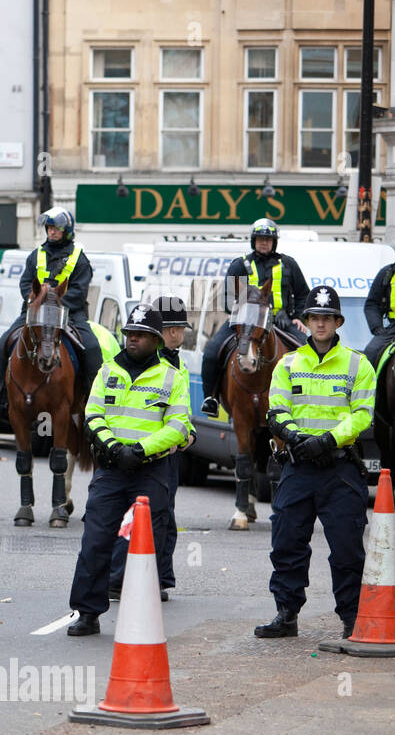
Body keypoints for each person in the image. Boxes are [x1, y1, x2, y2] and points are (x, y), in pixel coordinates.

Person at [256, 286, 375, 639]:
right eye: (315, 317)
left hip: (340, 469)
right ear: (305, 322)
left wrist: (328, 440)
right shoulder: (288, 363)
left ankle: (352, 619)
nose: (320, 323)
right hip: (299, 467)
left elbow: (363, 415)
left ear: (337, 322)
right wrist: (296, 438)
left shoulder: (358, 363)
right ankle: (286, 613)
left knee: (347, 548)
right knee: (287, 542)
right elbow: (276, 410)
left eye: (327, 317)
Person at [67, 303, 190, 636]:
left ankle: (145, 612)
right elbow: (93, 415)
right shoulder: (107, 371)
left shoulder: (172, 377)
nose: (132, 339)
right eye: (129, 334)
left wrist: (140, 450)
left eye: (140, 335)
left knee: (148, 543)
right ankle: (88, 613)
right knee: (95, 539)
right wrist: (113, 448)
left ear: (155, 340)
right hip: (110, 468)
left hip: (150, 469)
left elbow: (178, 425)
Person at [107, 296, 194, 601]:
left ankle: (160, 576)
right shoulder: (158, 363)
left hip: (164, 449)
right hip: (149, 454)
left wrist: (188, 431)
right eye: (181, 327)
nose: (184, 333)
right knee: (149, 517)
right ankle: (121, 578)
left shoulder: (175, 360)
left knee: (163, 517)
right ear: (171, 331)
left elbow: (179, 411)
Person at [0, 208, 97, 425]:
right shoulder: (36, 255)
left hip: (70, 314)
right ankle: (1, 399)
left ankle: (93, 403)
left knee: (91, 348)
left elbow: (79, 291)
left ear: (67, 231)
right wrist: (35, 300)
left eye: (57, 229)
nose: (52, 232)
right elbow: (25, 283)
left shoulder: (79, 259)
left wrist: (53, 301)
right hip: (34, 313)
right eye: (50, 228)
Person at [200, 218, 309, 417]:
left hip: (282, 322)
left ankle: (309, 400)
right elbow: (228, 299)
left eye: (268, 239)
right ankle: (211, 398)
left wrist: (298, 317)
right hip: (246, 323)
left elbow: (303, 295)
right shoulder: (241, 265)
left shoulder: (288, 264)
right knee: (211, 352)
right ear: (253, 241)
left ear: (274, 242)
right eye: (259, 239)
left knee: (309, 353)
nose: (264, 242)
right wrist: (246, 314)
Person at [362, 254, 395, 368]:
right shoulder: (388, 273)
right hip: (393, 329)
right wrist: (376, 327)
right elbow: (372, 303)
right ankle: (365, 386)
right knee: (370, 353)